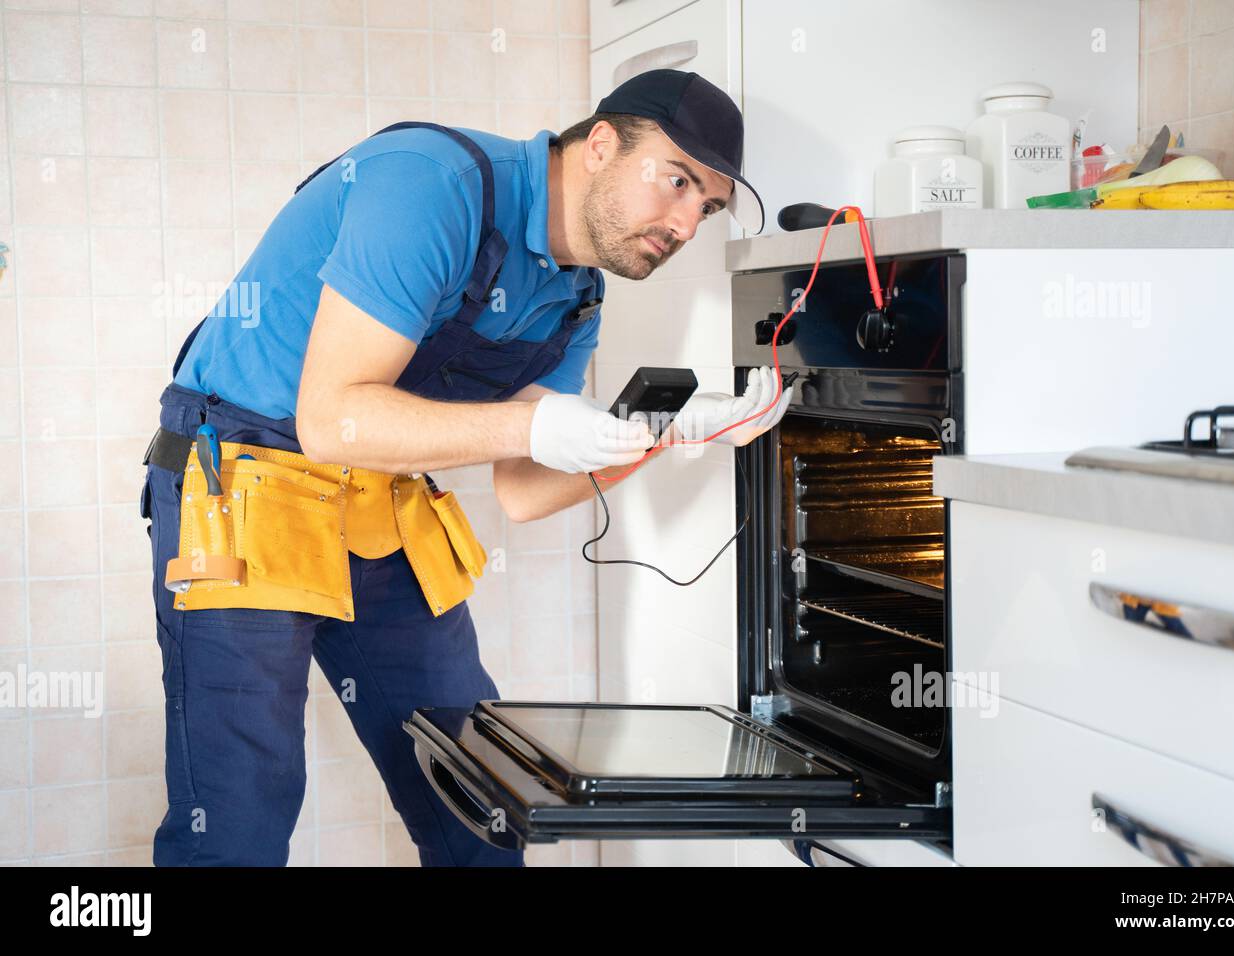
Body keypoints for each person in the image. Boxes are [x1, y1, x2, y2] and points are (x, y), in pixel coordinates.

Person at [139, 68, 792, 866]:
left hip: (376, 494)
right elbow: (332, 417)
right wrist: (532, 420)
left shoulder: (578, 297)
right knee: (238, 815)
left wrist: (667, 432)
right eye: (679, 180)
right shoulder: (432, 186)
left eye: (709, 206)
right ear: (598, 144)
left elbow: (522, 489)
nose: (688, 222)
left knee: (476, 790)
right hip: (243, 483)